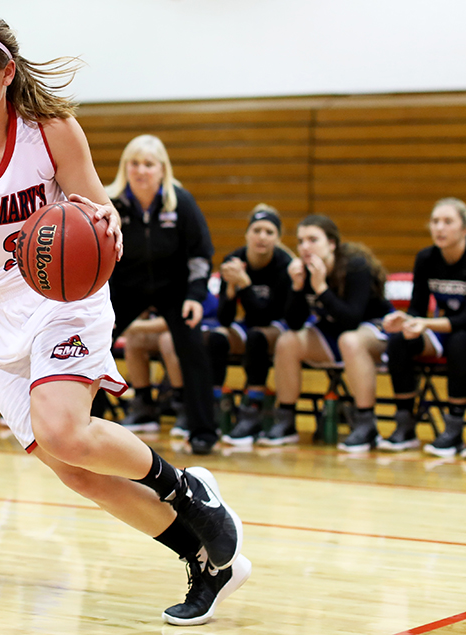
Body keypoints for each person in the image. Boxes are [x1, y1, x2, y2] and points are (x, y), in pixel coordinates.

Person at [0, 16, 246, 625]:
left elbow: (101, 212)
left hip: (60, 297)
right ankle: (208, 561)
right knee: (77, 473)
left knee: (62, 429)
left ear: (7, 73)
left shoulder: (50, 129)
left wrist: (106, 225)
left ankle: (189, 491)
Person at [100, 134, 219, 454]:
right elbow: (97, 253)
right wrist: (100, 303)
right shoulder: (111, 202)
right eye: (134, 163)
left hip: (174, 289)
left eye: (149, 164)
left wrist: (195, 296)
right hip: (125, 287)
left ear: (162, 169)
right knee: (94, 341)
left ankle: (203, 431)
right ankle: (86, 423)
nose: (141, 170)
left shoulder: (181, 202)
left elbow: (200, 254)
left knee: (192, 347)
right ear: (125, 167)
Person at [375, 199, 466, 455]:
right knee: (400, 340)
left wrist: (425, 323)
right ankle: (405, 424)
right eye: (435, 222)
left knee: (458, 342)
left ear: (464, 229)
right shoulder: (426, 258)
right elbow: (417, 309)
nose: (439, 228)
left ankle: (454, 428)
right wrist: (404, 320)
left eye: (447, 222)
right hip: (444, 327)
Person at [270, 215, 392, 450]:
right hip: (334, 332)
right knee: (287, 341)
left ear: (332, 243)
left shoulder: (356, 266)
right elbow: (294, 323)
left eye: (313, 240)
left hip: (374, 329)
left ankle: (366, 424)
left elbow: (352, 319)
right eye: (301, 241)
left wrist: (321, 288)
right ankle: (286, 420)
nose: (305, 247)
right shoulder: (303, 270)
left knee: (350, 340)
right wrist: (297, 287)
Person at [217, 205, 293, 446]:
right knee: (215, 338)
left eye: (269, 232)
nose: (262, 237)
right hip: (249, 323)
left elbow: (266, 316)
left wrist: (245, 284)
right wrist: (230, 289)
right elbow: (224, 318)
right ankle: (214, 405)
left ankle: (253, 410)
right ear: (247, 234)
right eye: (257, 230)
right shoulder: (234, 260)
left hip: (279, 324)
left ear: (278, 238)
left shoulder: (285, 264)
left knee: (257, 337)